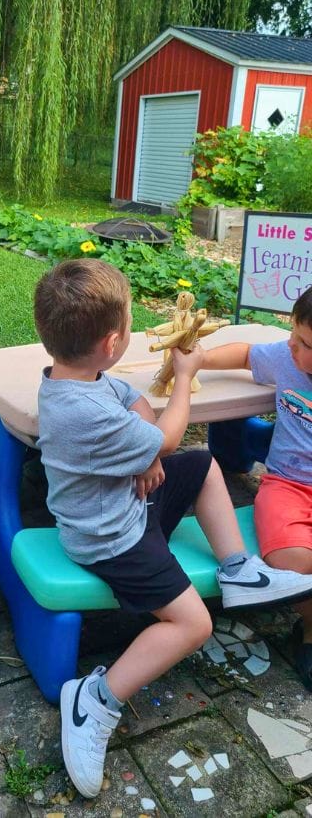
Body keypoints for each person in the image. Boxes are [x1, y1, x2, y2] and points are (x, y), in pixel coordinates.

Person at [33, 259, 312, 800]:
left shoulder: (77, 378)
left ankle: (240, 570)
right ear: (114, 340)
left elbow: (130, 403)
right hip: (111, 537)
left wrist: (145, 447)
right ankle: (95, 699)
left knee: (202, 463)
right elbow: (166, 435)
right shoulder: (83, 412)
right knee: (193, 626)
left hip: (126, 503)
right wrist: (181, 384)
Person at [201, 286, 312, 690]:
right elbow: (247, 353)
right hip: (287, 484)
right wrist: (199, 360)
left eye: (306, 344)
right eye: (296, 336)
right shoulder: (288, 360)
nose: (292, 346)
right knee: (291, 561)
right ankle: (311, 628)